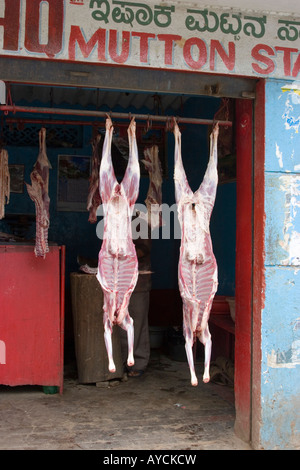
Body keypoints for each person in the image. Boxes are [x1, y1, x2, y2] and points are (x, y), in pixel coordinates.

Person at [119, 236, 152, 377]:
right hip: (119, 278)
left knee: (137, 322)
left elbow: (144, 249)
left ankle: (137, 363)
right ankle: (121, 361)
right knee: (119, 322)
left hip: (139, 279)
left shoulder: (142, 220)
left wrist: (123, 254)